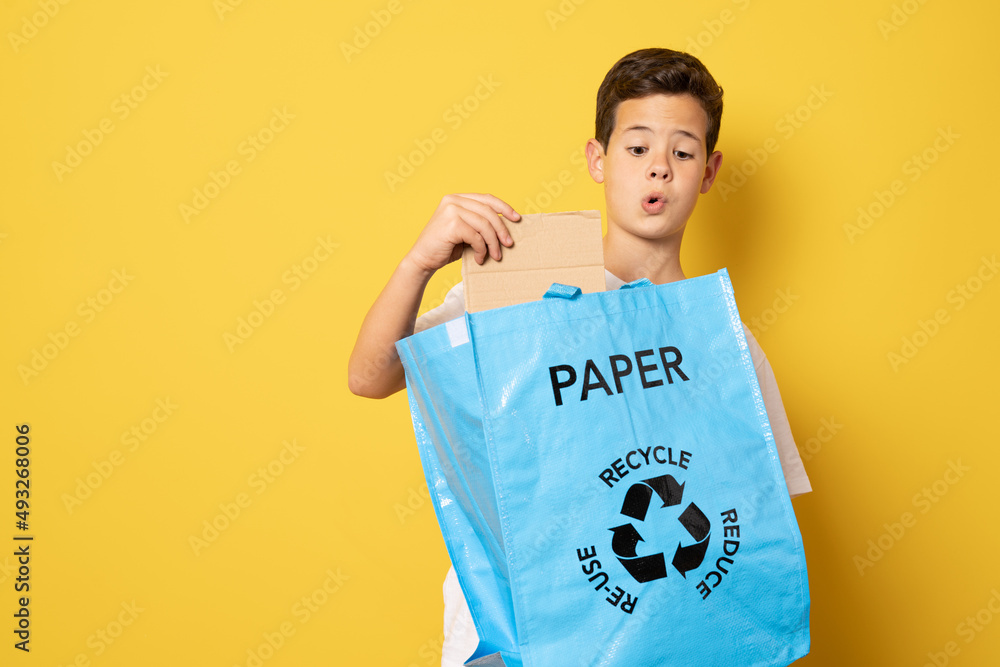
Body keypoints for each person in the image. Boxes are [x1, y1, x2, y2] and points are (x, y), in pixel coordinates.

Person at [349, 47, 812, 667]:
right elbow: (371, 377)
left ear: (708, 170)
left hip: (663, 644)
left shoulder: (723, 344)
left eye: (683, 151)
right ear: (598, 160)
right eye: (637, 147)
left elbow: (754, 525)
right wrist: (418, 263)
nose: (660, 171)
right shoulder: (520, 292)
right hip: (514, 638)